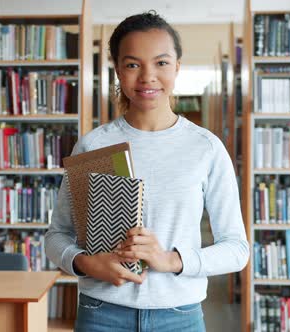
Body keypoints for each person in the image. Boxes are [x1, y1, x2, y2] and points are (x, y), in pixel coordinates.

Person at [45, 10, 249, 332]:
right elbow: (57, 236)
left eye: (161, 62)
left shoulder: (206, 148)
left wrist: (172, 260)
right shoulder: (94, 145)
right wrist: (85, 263)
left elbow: (237, 250)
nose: (147, 76)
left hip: (179, 316)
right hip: (101, 313)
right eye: (132, 64)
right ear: (117, 71)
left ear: (177, 67)